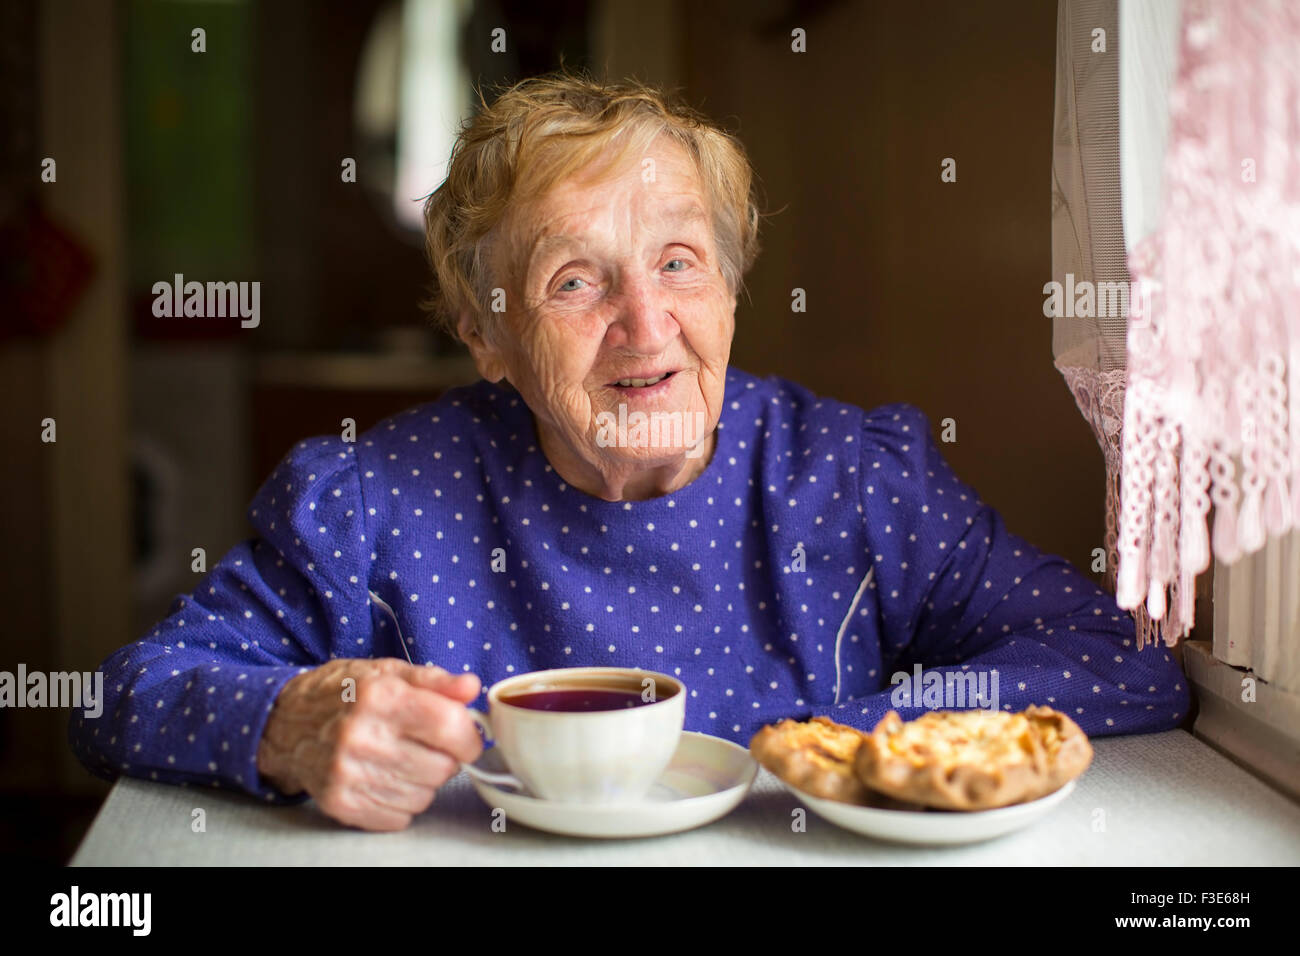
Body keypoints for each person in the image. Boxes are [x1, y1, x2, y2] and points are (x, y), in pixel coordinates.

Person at [70, 71, 1190, 830]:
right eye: (573, 281)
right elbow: (128, 691)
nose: (646, 327)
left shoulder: (851, 479)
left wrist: (847, 736)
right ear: (485, 333)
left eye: (678, 263)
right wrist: (289, 724)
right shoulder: (372, 501)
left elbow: (1118, 656)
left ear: (734, 286)